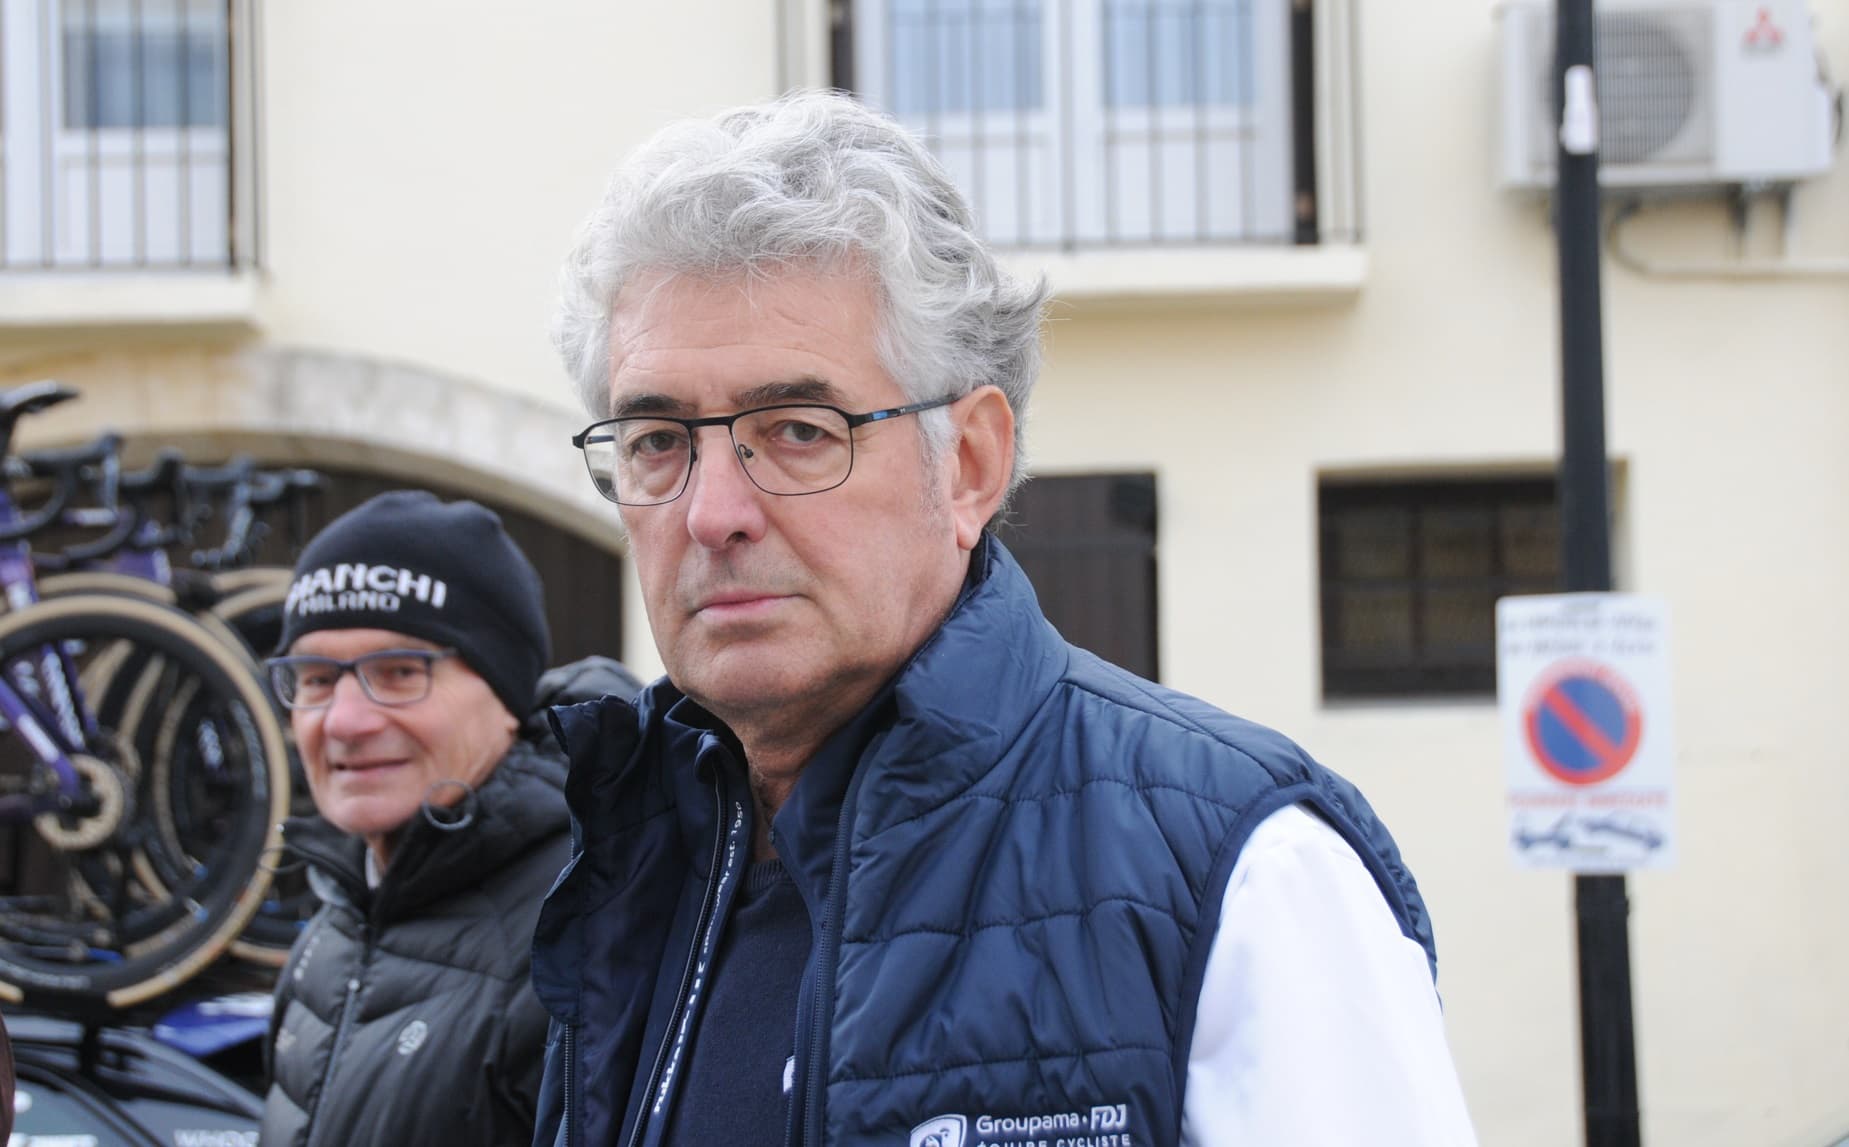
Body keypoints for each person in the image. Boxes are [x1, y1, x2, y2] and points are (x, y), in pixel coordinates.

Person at [531, 91, 1477, 1146]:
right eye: (659, 439)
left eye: (797, 429)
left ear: (970, 463)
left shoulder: (1243, 872)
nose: (712, 513)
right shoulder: (623, 868)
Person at [258, 490, 639, 1147]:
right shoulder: (337, 916)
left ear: (506, 696)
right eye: (317, 678)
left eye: (400, 671)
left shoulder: (584, 928)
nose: (345, 721)